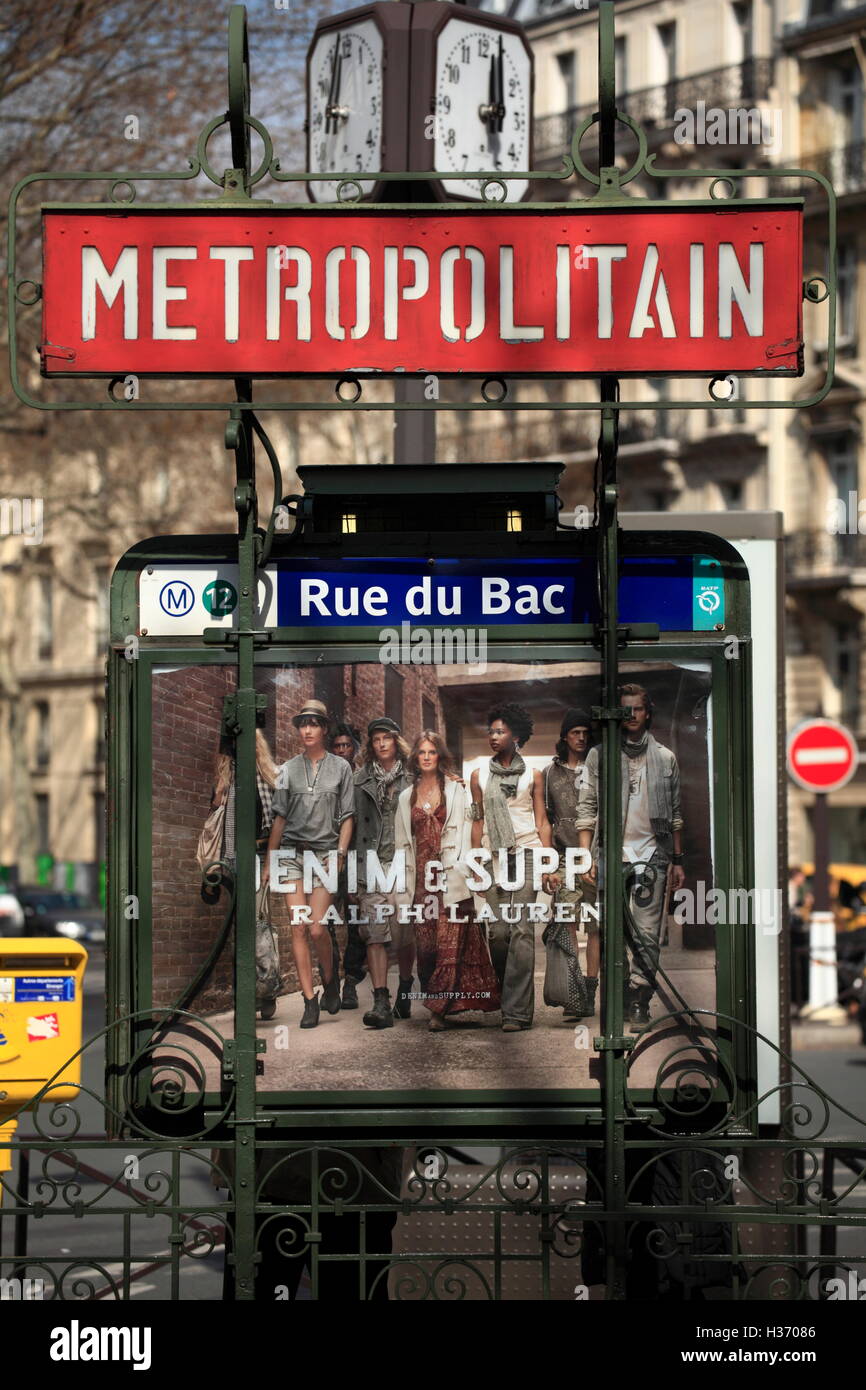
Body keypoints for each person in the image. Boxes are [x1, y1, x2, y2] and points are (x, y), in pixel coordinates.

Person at [577, 683, 685, 1032]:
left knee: (648, 934)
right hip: (611, 853)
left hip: (653, 853)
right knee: (613, 933)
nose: (632, 715)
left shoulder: (665, 758)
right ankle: (621, 991)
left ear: (647, 711)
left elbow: (677, 814)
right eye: (626, 709)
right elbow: (587, 807)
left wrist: (677, 860)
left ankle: (640, 999)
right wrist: (585, 856)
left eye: (638, 708)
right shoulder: (600, 755)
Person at [395, 731, 500, 1031]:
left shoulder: (456, 790)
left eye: (432, 752)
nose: (427, 756)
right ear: (415, 757)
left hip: (450, 877)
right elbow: (401, 841)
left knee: (448, 944)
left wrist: (469, 872)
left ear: (440, 756)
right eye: (422, 752)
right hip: (420, 882)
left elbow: (469, 829)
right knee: (426, 947)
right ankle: (437, 1000)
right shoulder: (406, 797)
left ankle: (438, 1011)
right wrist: (402, 883)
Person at [262, 700, 354, 1030]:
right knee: (297, 927)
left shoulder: (341, 769)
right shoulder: (287, 769)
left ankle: (330, 981)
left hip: (326, 854)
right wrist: (271, 861)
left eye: (314, 723)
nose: (307, 730)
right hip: (291, 854)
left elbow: (347, 818)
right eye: (303, 724)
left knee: (317, 927)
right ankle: (309, 1000)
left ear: (325, 729)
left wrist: (341, 854)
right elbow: (280, 818)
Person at [469, 703, 558, 1032]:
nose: (493, 736)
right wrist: (474, 862)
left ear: (516, 736)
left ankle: (516, 1012)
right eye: (491, 731)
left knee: (521, 929)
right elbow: (476, 822)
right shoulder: (479, 774)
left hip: (527, 852)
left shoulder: (533, 775)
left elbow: (542, 821)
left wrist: (549, 863)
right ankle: (509, 992)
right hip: (493, 856)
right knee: (500, 932)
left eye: (500, 731)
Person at [353, 717, 414, 1030]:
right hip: (372, 864)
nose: (381, 743)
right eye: (375, 739)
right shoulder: (359, 778)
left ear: (396, 740)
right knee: (374, 934)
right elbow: (350, 828)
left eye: (386, 738)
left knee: (404, 933)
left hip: (404, 863)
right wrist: (354, 873)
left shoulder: (413, 775)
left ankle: (405, 986)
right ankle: (380, 1001)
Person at [543, 709, 597, 1021]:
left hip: (595, 856)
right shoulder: (550, 773)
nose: (580, 737)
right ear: (565, 736)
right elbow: (547, 820)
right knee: (566, 923)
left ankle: (590, 993)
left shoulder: (597, 768)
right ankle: (574, 991)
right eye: (575, 732)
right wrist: (548, 862)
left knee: (596, 927)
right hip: (564, 858)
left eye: (584, 732)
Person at [331, 723, 366, 1007]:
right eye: (337, 746)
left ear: (354, 749)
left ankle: (351, 983)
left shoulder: (360, 779)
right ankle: (330, 984)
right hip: (327, 860)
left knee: (356, 925)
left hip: (354, 860)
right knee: (325, 922)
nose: (342, 750)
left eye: (347, 746)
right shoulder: (325, 777)